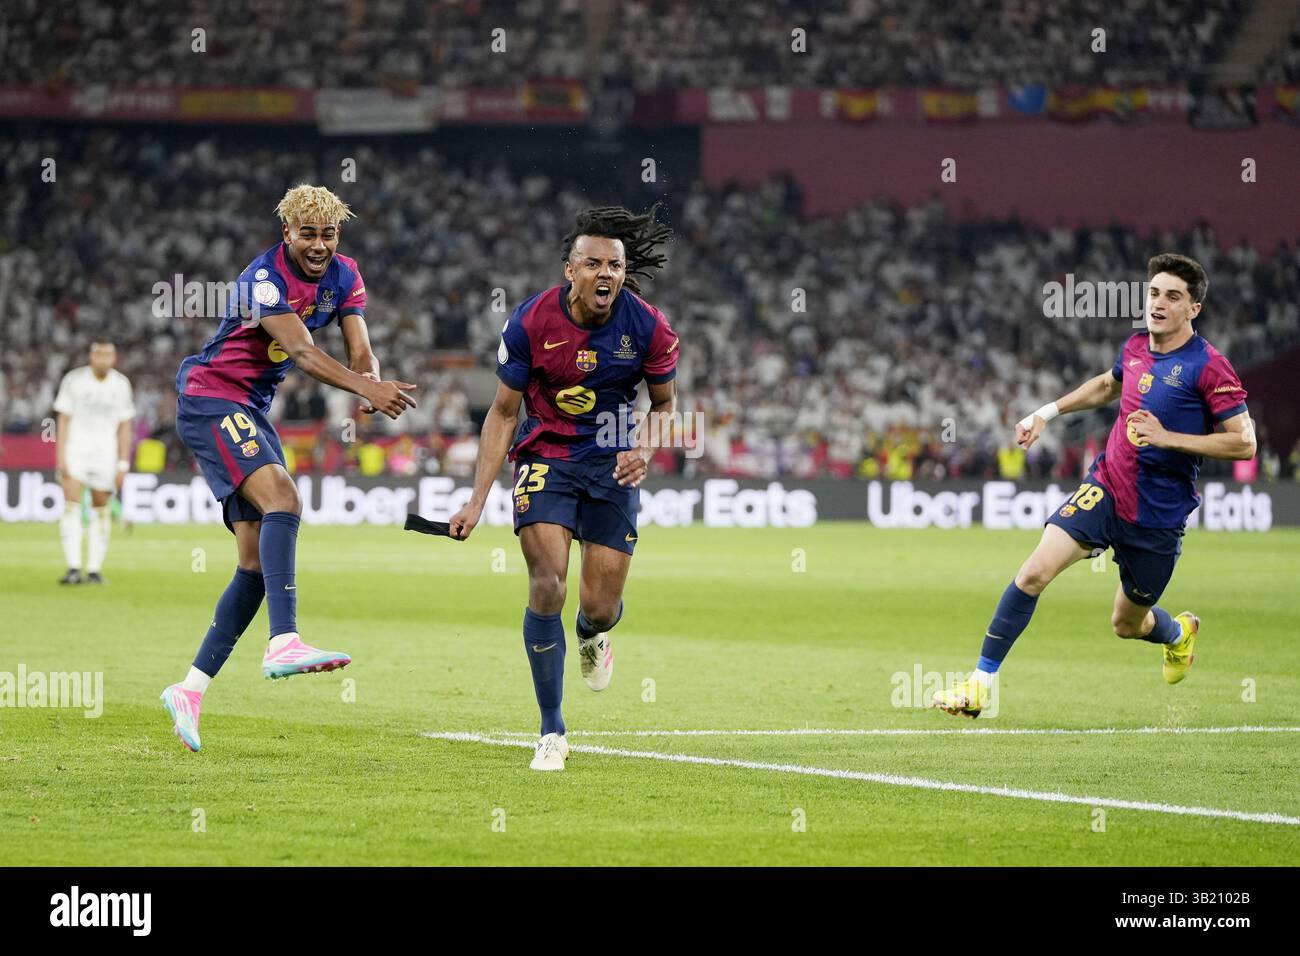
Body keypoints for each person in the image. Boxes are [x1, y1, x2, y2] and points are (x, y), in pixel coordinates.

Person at [934, 253, 1255, 717]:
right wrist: (1046, 413)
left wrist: (1168, 438)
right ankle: (980, 685)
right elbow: (1108, 386)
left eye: (1173, 296)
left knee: (1126, 624)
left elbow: (1244, 444)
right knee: (1032, 573)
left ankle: (1178, 634)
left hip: (1157, 516)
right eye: (1153, 293)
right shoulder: (1136, 347)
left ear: (1194, 309)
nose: (1158, 303)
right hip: (1106, 487)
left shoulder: (1210, 366)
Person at [160, 184, 418, 751]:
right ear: (287, 233)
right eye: (308, 234)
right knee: (285, 498)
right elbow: (301, 352)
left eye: (328, 234)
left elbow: (359, 350)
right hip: (211, 397)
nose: (320, 245)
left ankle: (190, 688)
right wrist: (364, 387)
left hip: (248, 409)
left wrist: (368, 385)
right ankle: (284, 641)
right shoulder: (263, 280)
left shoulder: (345, 274)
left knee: (253, 567)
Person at [449, 206, 679, 770]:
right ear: (570, 270)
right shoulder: (530, 323)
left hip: (612, 466)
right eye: (594, 263)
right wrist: (476, 498)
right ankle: (552, 729)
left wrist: (643, 449)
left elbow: (666, 404)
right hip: (546, 458)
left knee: (599, 606)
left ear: (625, 274)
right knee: (547, 580)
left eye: (616, 265)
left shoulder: (648, 326)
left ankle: (592, 633)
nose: (606, 273)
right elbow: (502, 414)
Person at [53, 341, 135, 584]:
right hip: (75, 451)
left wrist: (123, 463)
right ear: (91, 355)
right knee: (71, 506)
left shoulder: (121, 385)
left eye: (107, 353)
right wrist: (60, 457)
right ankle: (73, 567)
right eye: (98, 353)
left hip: (105, 456)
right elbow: (64, 419)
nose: (102, 358)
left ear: (114, 357)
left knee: (101, 508)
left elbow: (124, 426)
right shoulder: (74, 380)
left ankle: (94, 569)